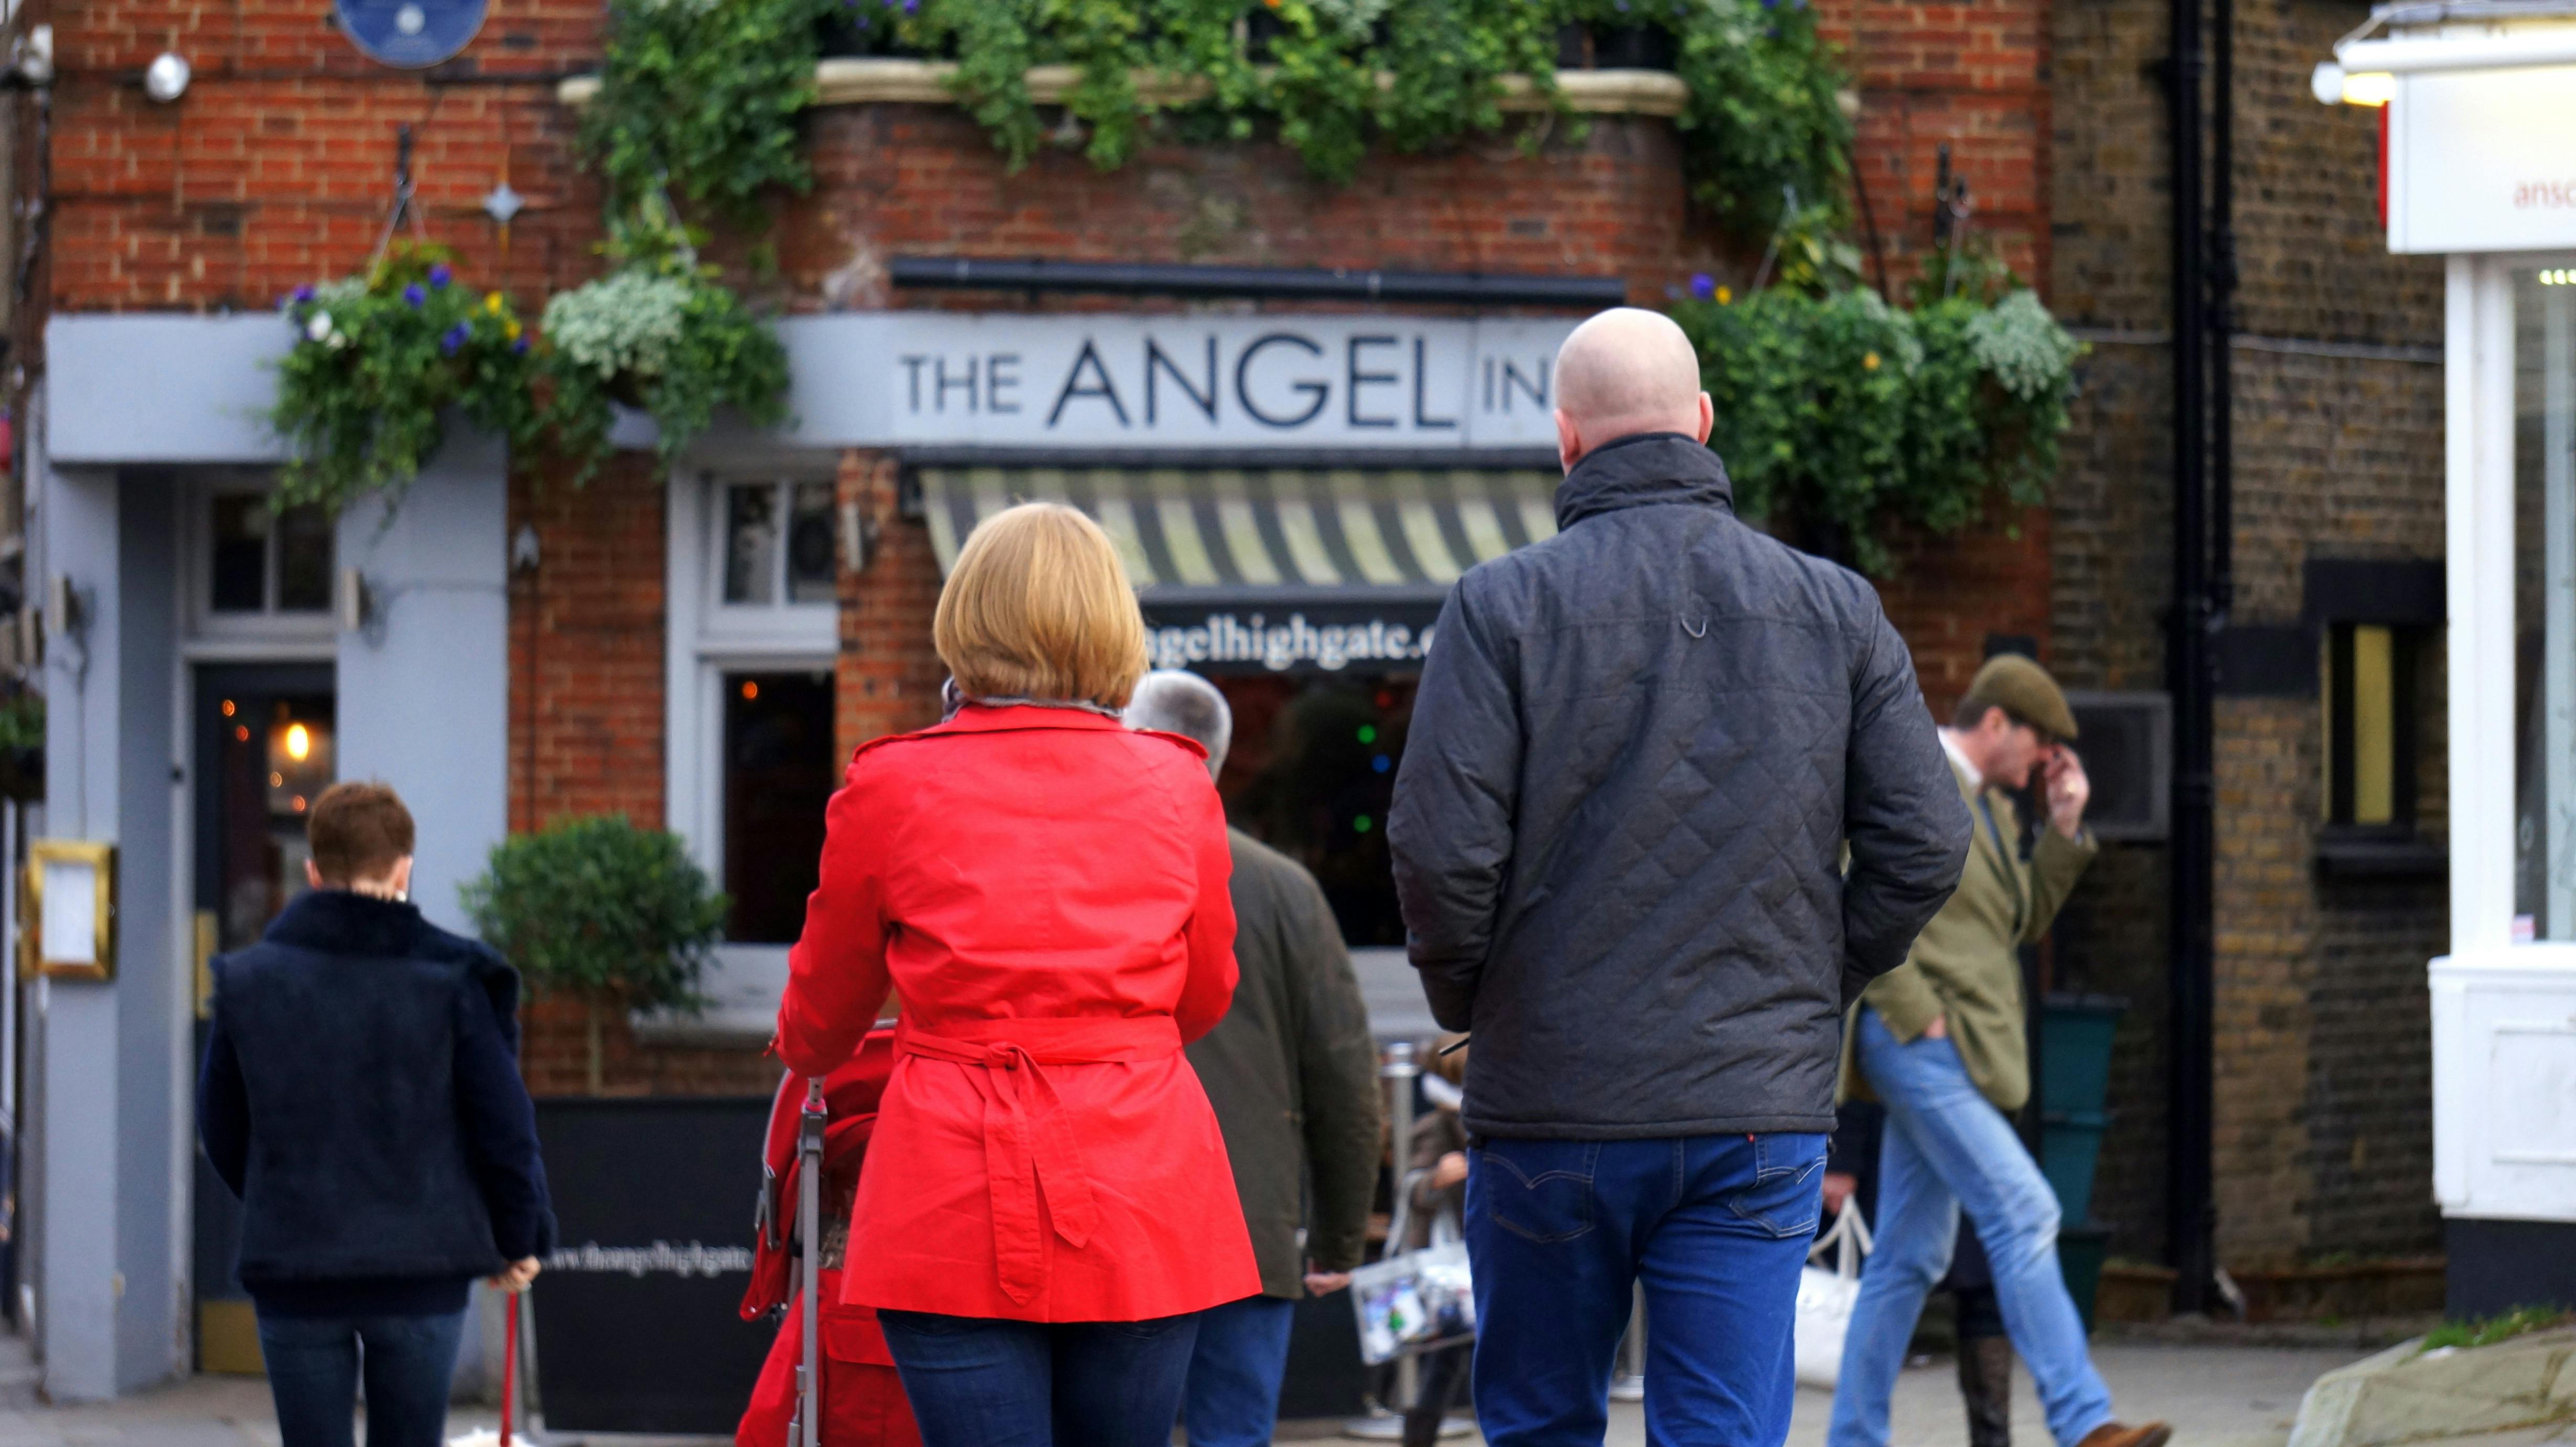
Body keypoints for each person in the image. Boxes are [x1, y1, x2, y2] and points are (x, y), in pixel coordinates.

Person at [1387, 306, 1972, 1446]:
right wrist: (1810, 981)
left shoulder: (1500, 607)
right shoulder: (1835, 608)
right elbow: (1927, 840)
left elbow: (1437, 851)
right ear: (1703, 422)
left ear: (1564, 439)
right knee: (1718, 1431)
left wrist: (1479, 1001)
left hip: (1553, 1098)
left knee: (1541, 1422)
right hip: (1752, 1108)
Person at [774, 502, 1260, 1447]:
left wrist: (803, 1045)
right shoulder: (1177, 784)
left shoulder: (891, 784)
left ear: (966, 618)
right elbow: (1203, 997)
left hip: (946, 1186)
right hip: (1141, 1176)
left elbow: (822, 1019)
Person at [1827, 654, 2170, 1447]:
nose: (2043, 758)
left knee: (1909, 1258)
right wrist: (1916, 1014)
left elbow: (2016, 923)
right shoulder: (1916, 776)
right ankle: (2086, 1423)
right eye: (2038, 741)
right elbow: (1857, 888)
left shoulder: (1986, 808)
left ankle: (1851, 1437)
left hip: (1959, 1052)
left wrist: (2063, 826)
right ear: (1994, 723)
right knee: (2026, 1209)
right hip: (1920, 1044)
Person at [199, 781, 554, 1447]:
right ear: (403, 868)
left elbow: (220, 1126)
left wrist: (286, 1196)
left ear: (313, 873)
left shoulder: (252, 982)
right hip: (421, 1268)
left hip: (297, 1267)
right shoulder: (454, 980)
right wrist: (518, 1234)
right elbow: (503, 1124)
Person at [1123, 671, 1385, 1447]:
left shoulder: (1088, 872)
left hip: (1114, 1209)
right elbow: (1343, 1072)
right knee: (1233, 1435)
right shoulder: (1285, 888)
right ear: (1223, 753)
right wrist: (1340, 1235)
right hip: (1248, 1215)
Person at [1400, 1038, 1473, 1447]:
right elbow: (1412, 1192)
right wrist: (1437, 1179)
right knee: (1444, 1360)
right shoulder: (1439, 1125)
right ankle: (1419, 1437)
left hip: (1476, 1258)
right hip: (1452, 1265)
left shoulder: (1485, 1117)